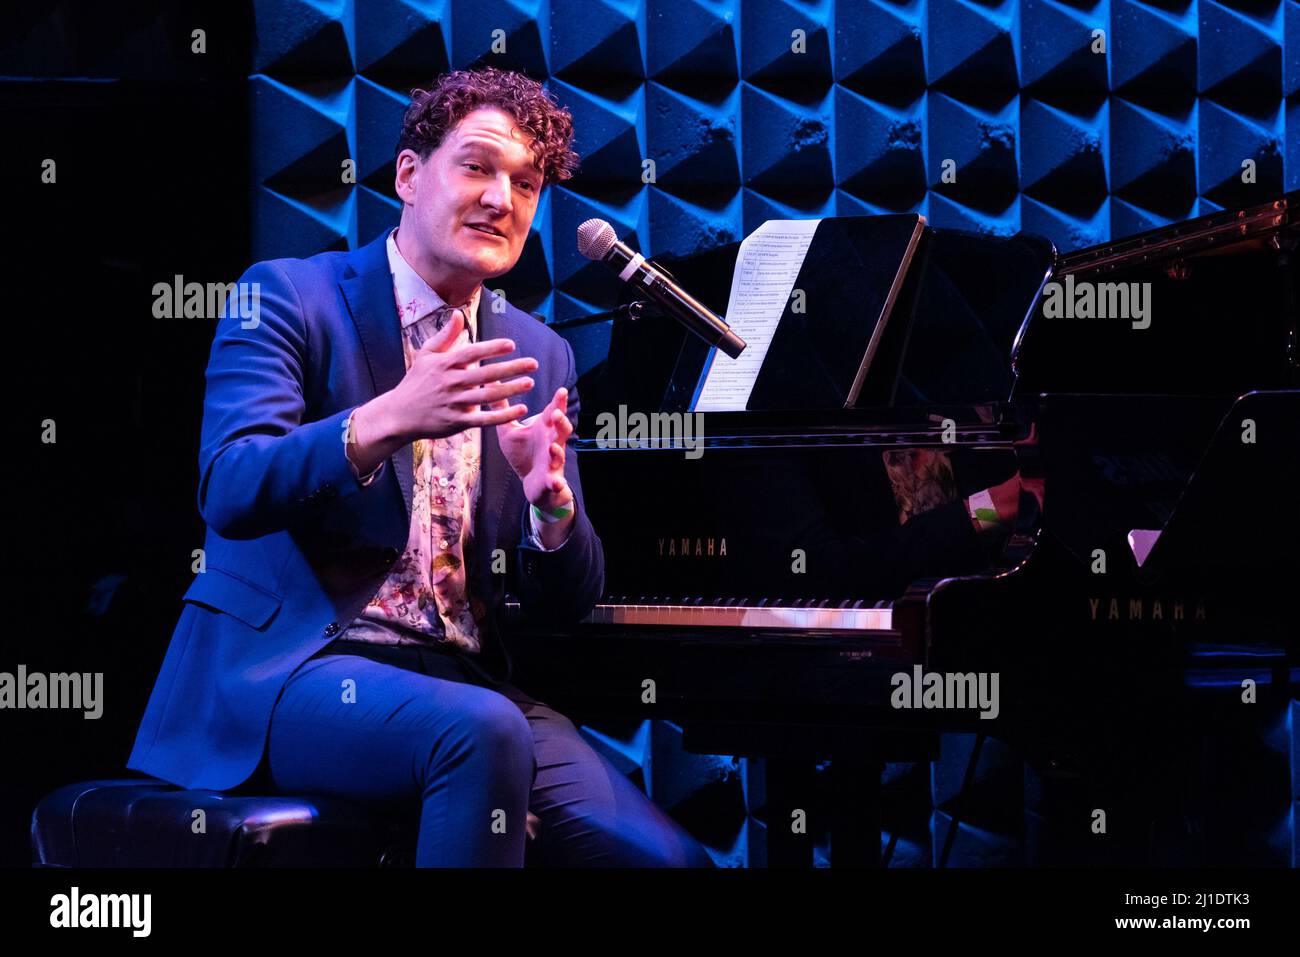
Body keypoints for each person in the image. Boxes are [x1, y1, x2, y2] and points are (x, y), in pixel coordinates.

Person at [127, 66, 714, 868]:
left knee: (667, 860)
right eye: (476, 166)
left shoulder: (539, 351)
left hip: (462, 676)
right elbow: (231, 485)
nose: (501, 199)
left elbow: (570, 598)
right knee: (480, 732)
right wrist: (389, 417)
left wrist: (550, 507)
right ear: (409, 174)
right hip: (294, 670)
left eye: (527, 184)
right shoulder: (288, 297)